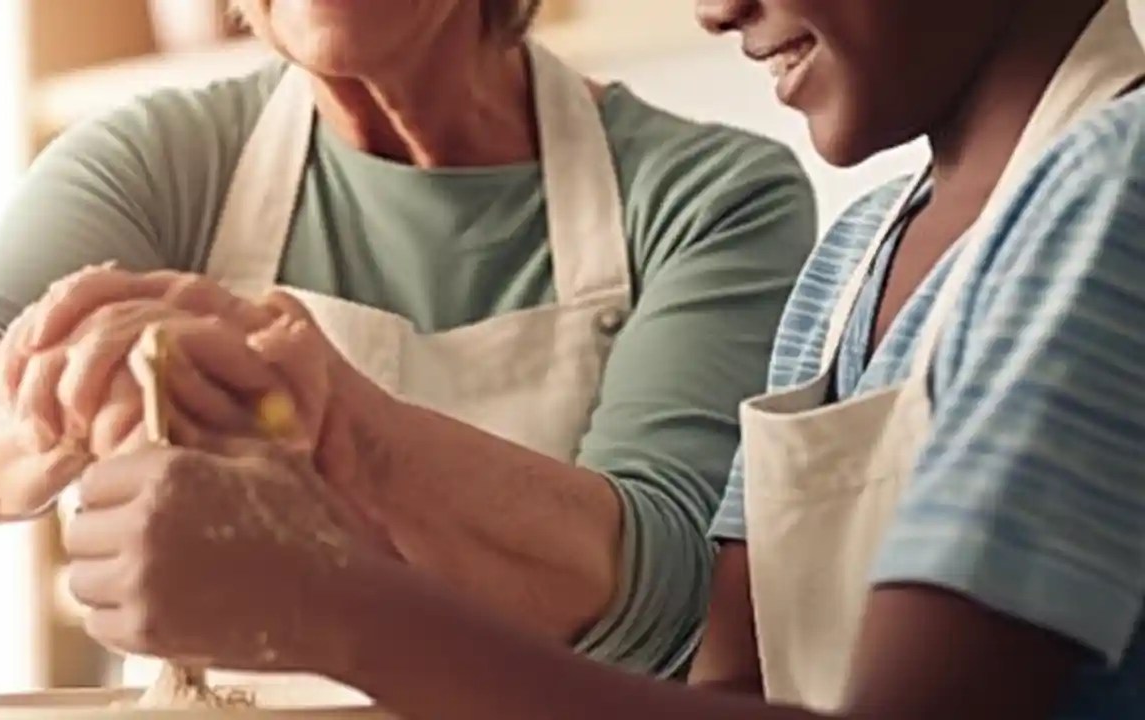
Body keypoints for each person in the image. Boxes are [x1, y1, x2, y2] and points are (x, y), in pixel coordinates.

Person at [62, 0, 1145, 717]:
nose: (714, 6)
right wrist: (349, 557)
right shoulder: (855, 256)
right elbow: (728, 692)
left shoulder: (1114, 193)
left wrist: (329, 605)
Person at [0, 0, 815, 688]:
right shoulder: (163, 159)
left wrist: (341, 429)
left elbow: (666, 587)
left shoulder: (710, 196)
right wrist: (71, 394)